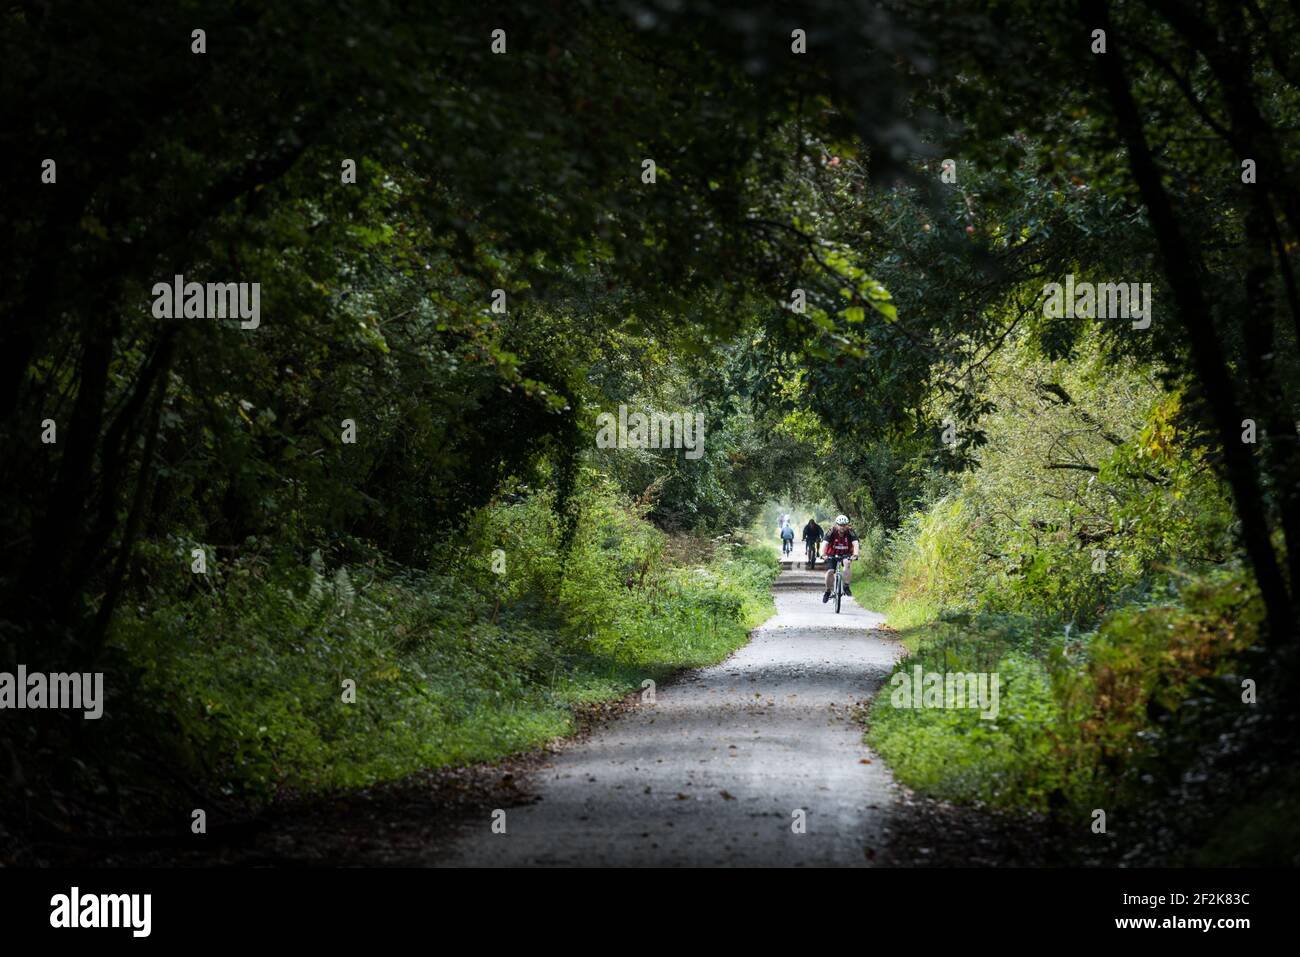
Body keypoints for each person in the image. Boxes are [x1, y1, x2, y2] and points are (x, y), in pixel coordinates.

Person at [820, 514, 860, 603]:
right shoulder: (831, 531)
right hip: (832, 554)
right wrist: (823, 554)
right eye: (840, 525)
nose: (842, 527)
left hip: (846, 554)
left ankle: (846, 586)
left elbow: (855, 543)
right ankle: (827, 591)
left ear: (847, 525)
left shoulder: (850, 531)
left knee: (847, 563)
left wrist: (855, 554)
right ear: (836, 525)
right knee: (830, 571)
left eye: (844, 525)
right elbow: (825, 543)